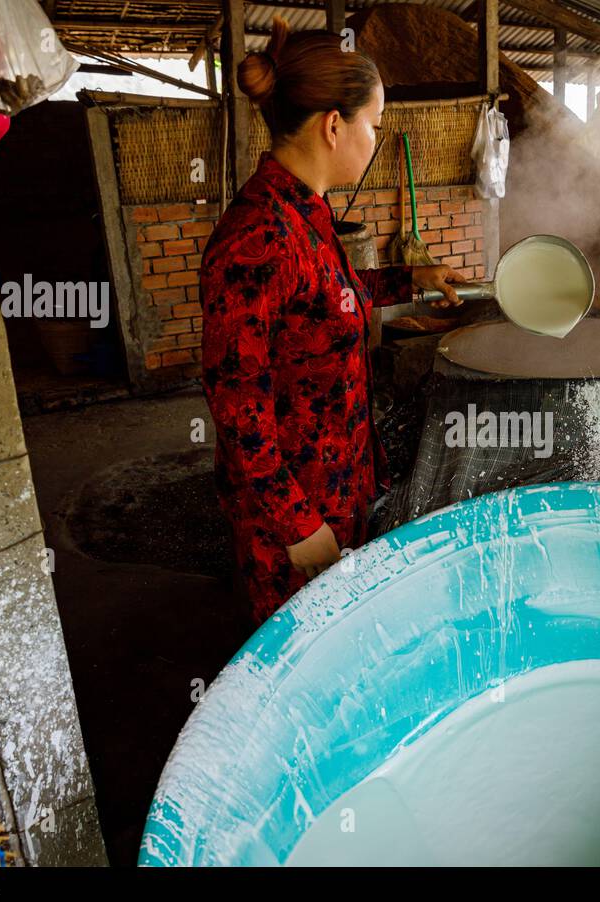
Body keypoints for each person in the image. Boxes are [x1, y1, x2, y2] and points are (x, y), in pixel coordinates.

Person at [200, 17, 463, 626]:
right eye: (373, 124)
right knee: (297, 652)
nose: (377, 137)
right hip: (295, 505)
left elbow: (322, 298)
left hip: (338, 476)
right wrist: (297, 522)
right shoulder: (257, 236)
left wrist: (408, 282)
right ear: (334, 124)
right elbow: (236, 402)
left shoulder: (305, 206)